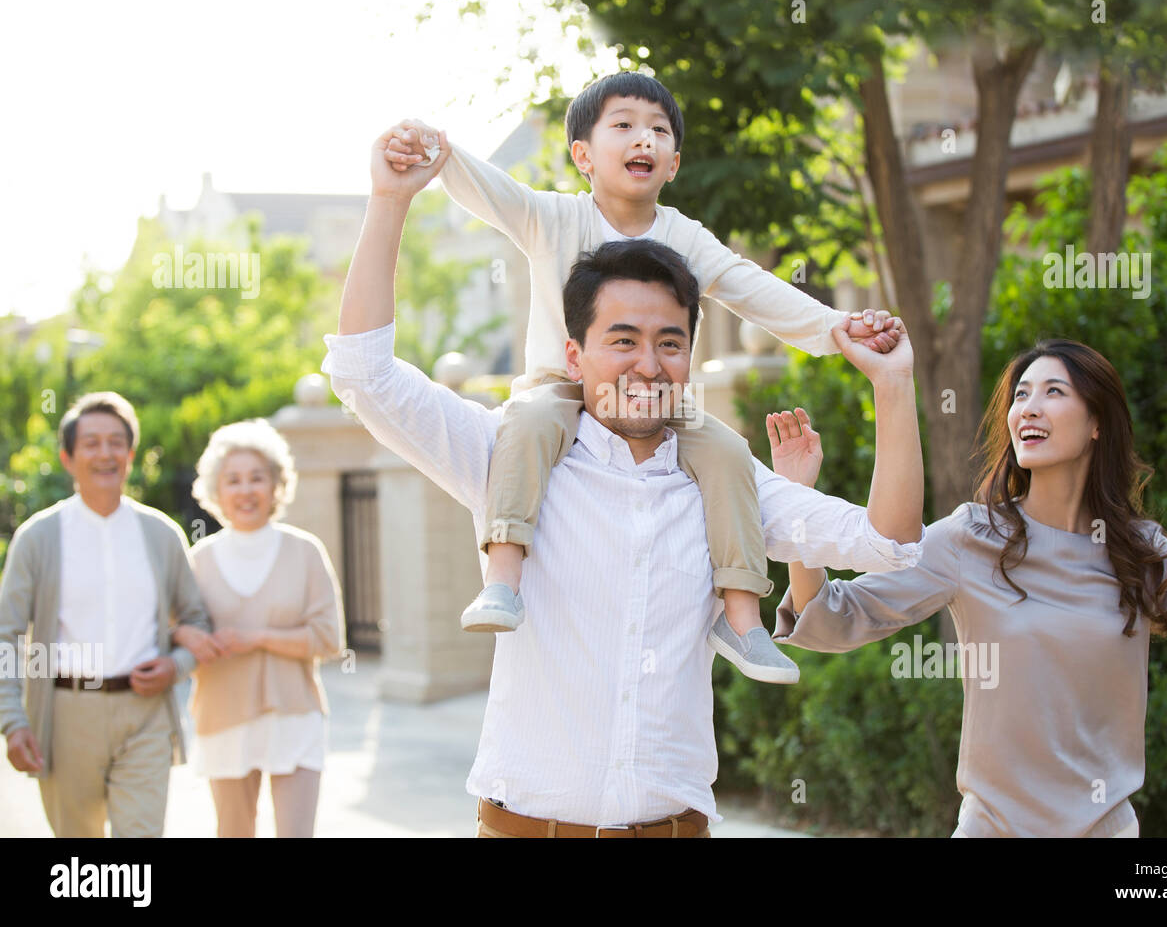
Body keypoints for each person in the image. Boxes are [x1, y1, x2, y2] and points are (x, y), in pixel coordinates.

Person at [321, 131, 924, 835]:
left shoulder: (727, 481)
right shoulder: (509, 455)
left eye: (670, 343)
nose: (648, 363)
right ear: (574, 355)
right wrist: (390, 200)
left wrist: (894, 384)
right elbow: (365, 377)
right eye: (623, 340)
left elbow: (888, 542)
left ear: (691, 355)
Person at [380, 71, 902, 684]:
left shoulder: (683, 236)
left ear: (674, 163)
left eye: (658, 131)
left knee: (728, 451)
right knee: (525, 422)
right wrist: (437, 150)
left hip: (653, 396)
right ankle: (502, 579)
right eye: (623, 126)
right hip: (557, 390)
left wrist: (837, 327)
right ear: (582, 154)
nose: (643, 140)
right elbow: (494, 192)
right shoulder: (552, 217)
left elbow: (748, 285)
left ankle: (741, 617)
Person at [773, 339, 1167, 837]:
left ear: (1097, 422)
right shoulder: (970, 538)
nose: (1029, 407)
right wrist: (798, 504)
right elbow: (834, 617)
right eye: (1021, 394)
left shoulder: (1140, 550)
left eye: (1054, 392)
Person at [0, 391, 211, 837]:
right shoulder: (38, 538)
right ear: (67, 456)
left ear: (131, 455)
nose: (105, 453)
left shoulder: (162, 535)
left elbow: (197, 621)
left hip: (147, 714)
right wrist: (12, 720)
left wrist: (176, 665)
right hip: (65, 713)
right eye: (91, 443)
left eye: (116, 442)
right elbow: (7, 634)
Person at [172, 418, 345, 838]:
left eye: (256, 478)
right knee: (233, 832)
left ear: (275, 486)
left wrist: (254, 639)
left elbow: (328, 639)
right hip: (222, 716)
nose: (245, 490)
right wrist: (187, 636)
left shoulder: (305, 551)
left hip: (295, 716)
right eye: (233, 480)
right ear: (217, 491)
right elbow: (174, 628)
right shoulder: (199, 560)